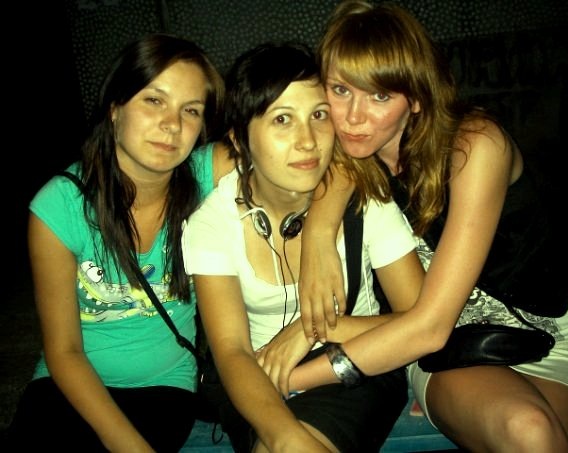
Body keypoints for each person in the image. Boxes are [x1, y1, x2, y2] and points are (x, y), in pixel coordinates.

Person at [289, 1, 568, 452]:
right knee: (527, 428)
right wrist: (318, 234)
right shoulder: (346, 157)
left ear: (416, 97)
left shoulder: (475, 146)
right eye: (340, 90)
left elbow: (429, 325)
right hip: (443, 351)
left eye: (380, 96)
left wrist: (287, 378)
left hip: (545, 335)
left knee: (535, 436)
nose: (353, 116)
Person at [181, 42, 424, 452]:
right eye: (282, 119)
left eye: (319, 115)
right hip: (258, 380)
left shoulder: (366, 201)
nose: (308, 140)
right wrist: (284, 434)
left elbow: (421, 318)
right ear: (239, 140)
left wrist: (315, 328)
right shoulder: (213, 222)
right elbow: (232, 351)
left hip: (354, 368)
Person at [6, 33, 228, 452]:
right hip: (69, 383)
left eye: (191, 110)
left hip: (164, 386)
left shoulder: (206, 174)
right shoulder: (60, 206)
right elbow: (64, 350)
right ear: (114, 108)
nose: (172, 124)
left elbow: (318, 159)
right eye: (154, 100)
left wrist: (322, 235)